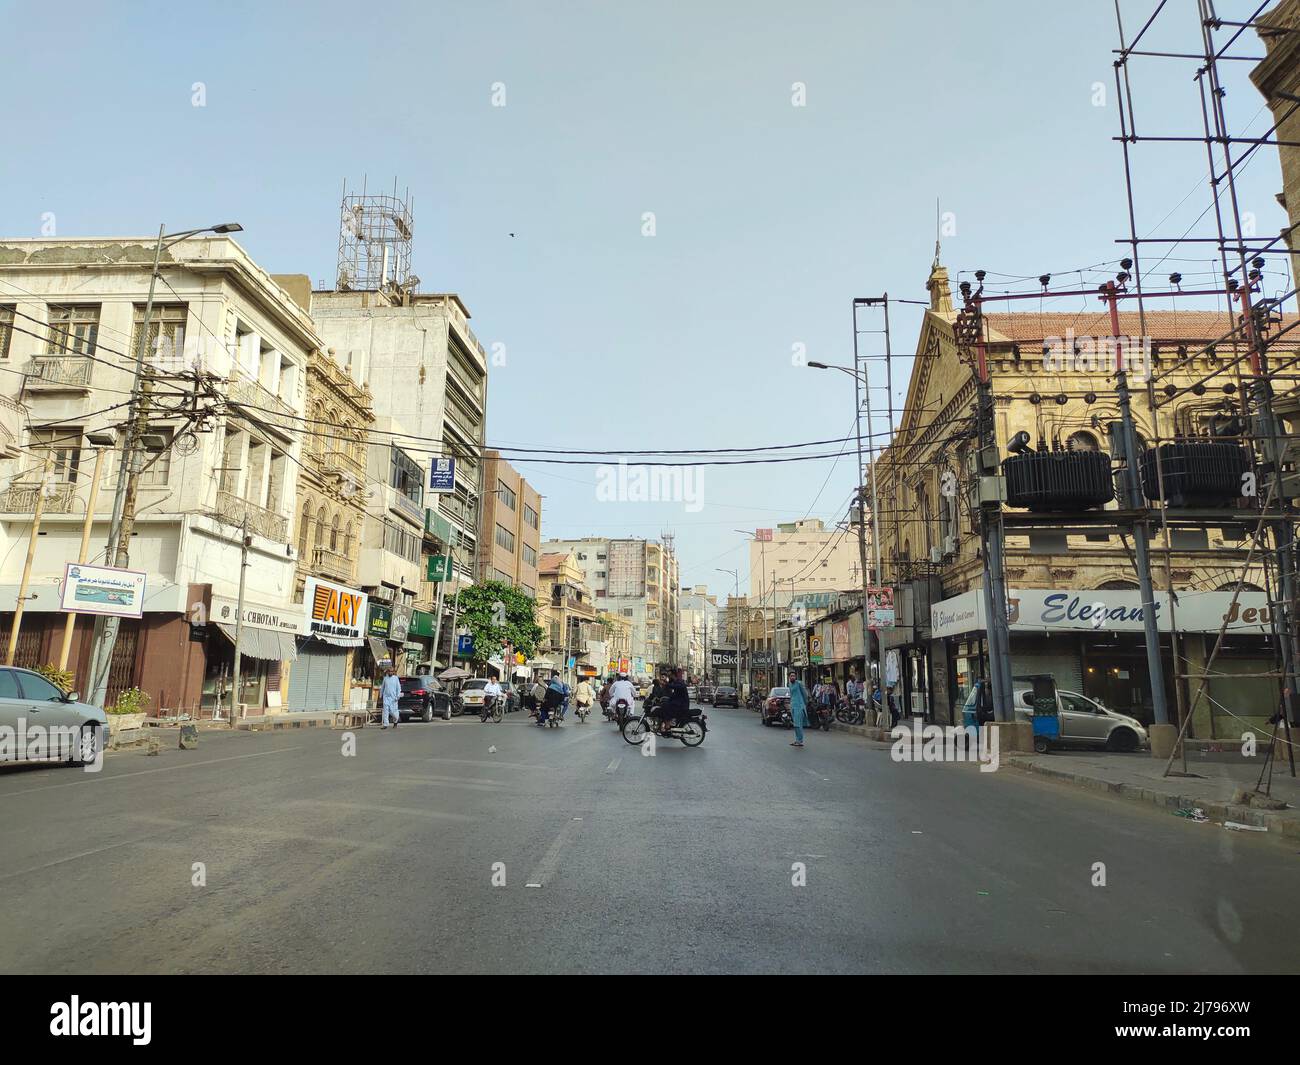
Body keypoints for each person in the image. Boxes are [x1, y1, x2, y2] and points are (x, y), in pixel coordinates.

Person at [788, 673, 810, 748]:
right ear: (789, 677)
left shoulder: (799, 683)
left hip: (799, 706)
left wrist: (805, 703)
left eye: (794, 676)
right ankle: (797, 740)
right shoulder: (789, 684)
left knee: (798, 724)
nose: (792, 677)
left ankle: (800, 741)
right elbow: (791, 695)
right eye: (791, 676)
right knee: (795, 724)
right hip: (793, 706)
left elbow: (804, 694)